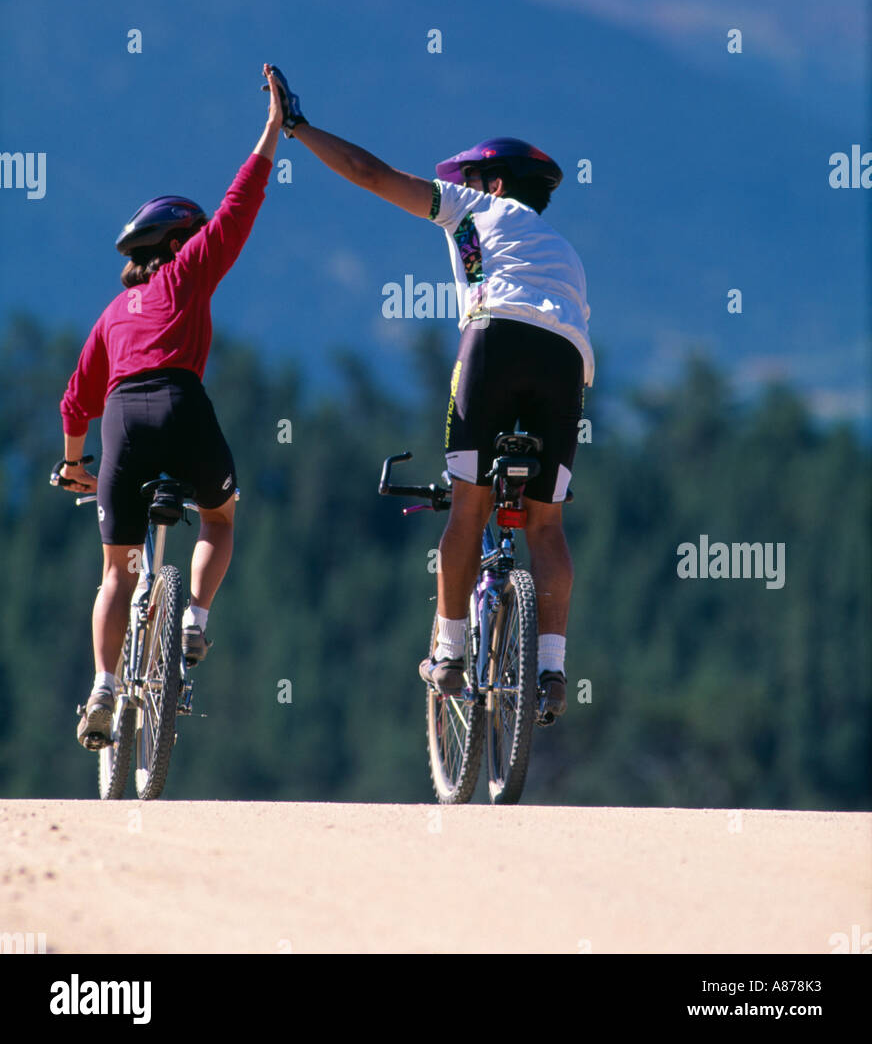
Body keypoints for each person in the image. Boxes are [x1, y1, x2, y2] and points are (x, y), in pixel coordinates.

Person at [270, 70, 594, 721]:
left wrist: (298, 128)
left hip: (494, 338)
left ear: (494, 185)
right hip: (565, 359)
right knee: (547, 523)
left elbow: (368, 172)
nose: (461, 187)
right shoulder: (563, 250)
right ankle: (553, 671)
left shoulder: (473, 209)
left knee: (468, 510)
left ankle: (448, 653)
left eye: (470, 178)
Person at [58, 64, 285, 750]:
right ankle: (193, 618)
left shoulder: (110, 313)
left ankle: (102, 686)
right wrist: (274, 129)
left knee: (116, 572)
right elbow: (239, 206)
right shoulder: (188, 274)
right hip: (184, 408)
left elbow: (76, 399)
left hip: (123, 420)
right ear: (179, 244)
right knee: (218, 517)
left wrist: (75, 467)